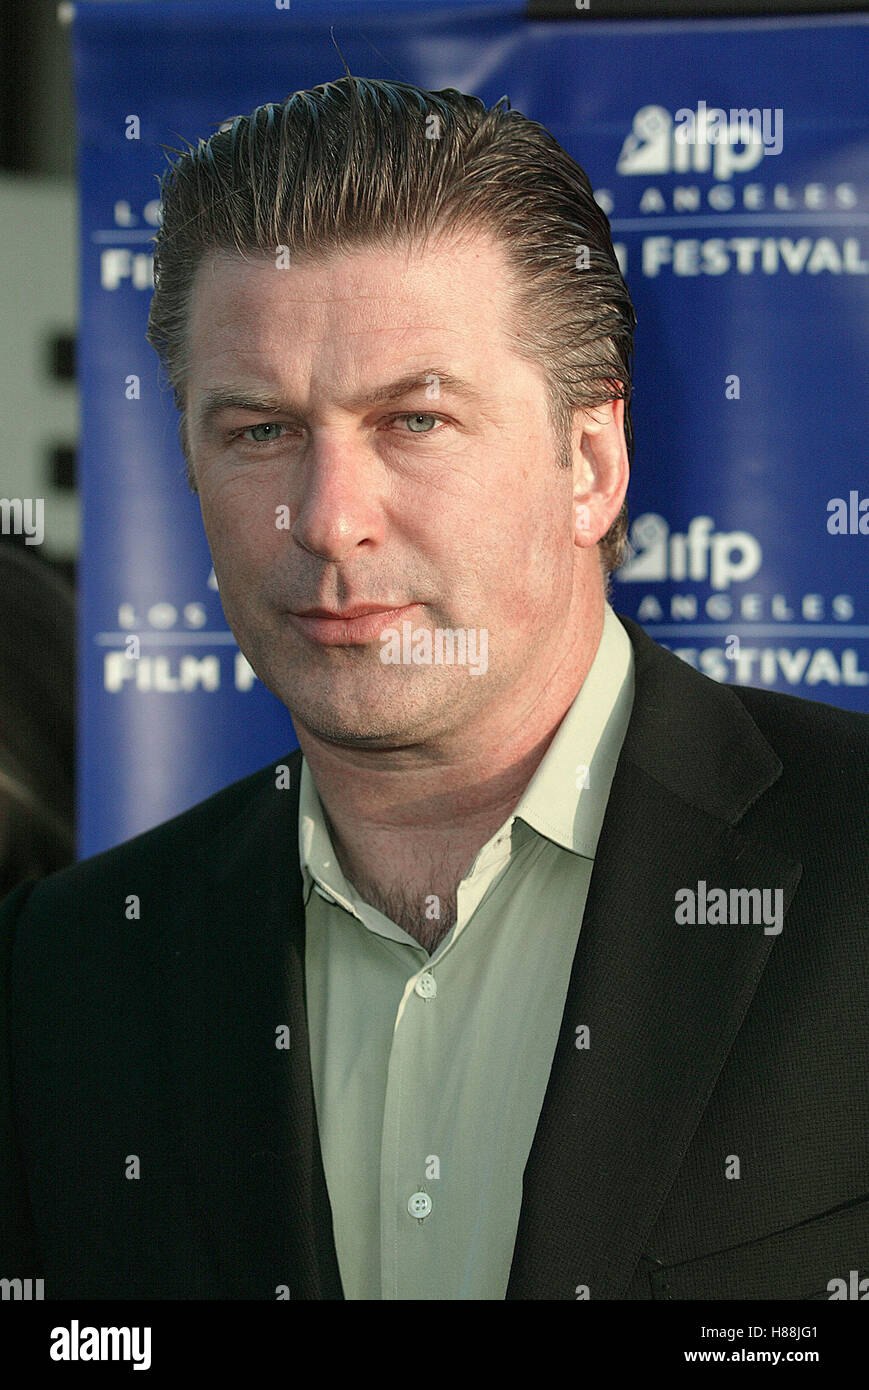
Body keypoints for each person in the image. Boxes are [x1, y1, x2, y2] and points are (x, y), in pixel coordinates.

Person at [1, 77, 866, 1301]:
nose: (327, 518)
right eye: (258, 431)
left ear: (590, 461)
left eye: (412, 419)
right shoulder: (65, 974)